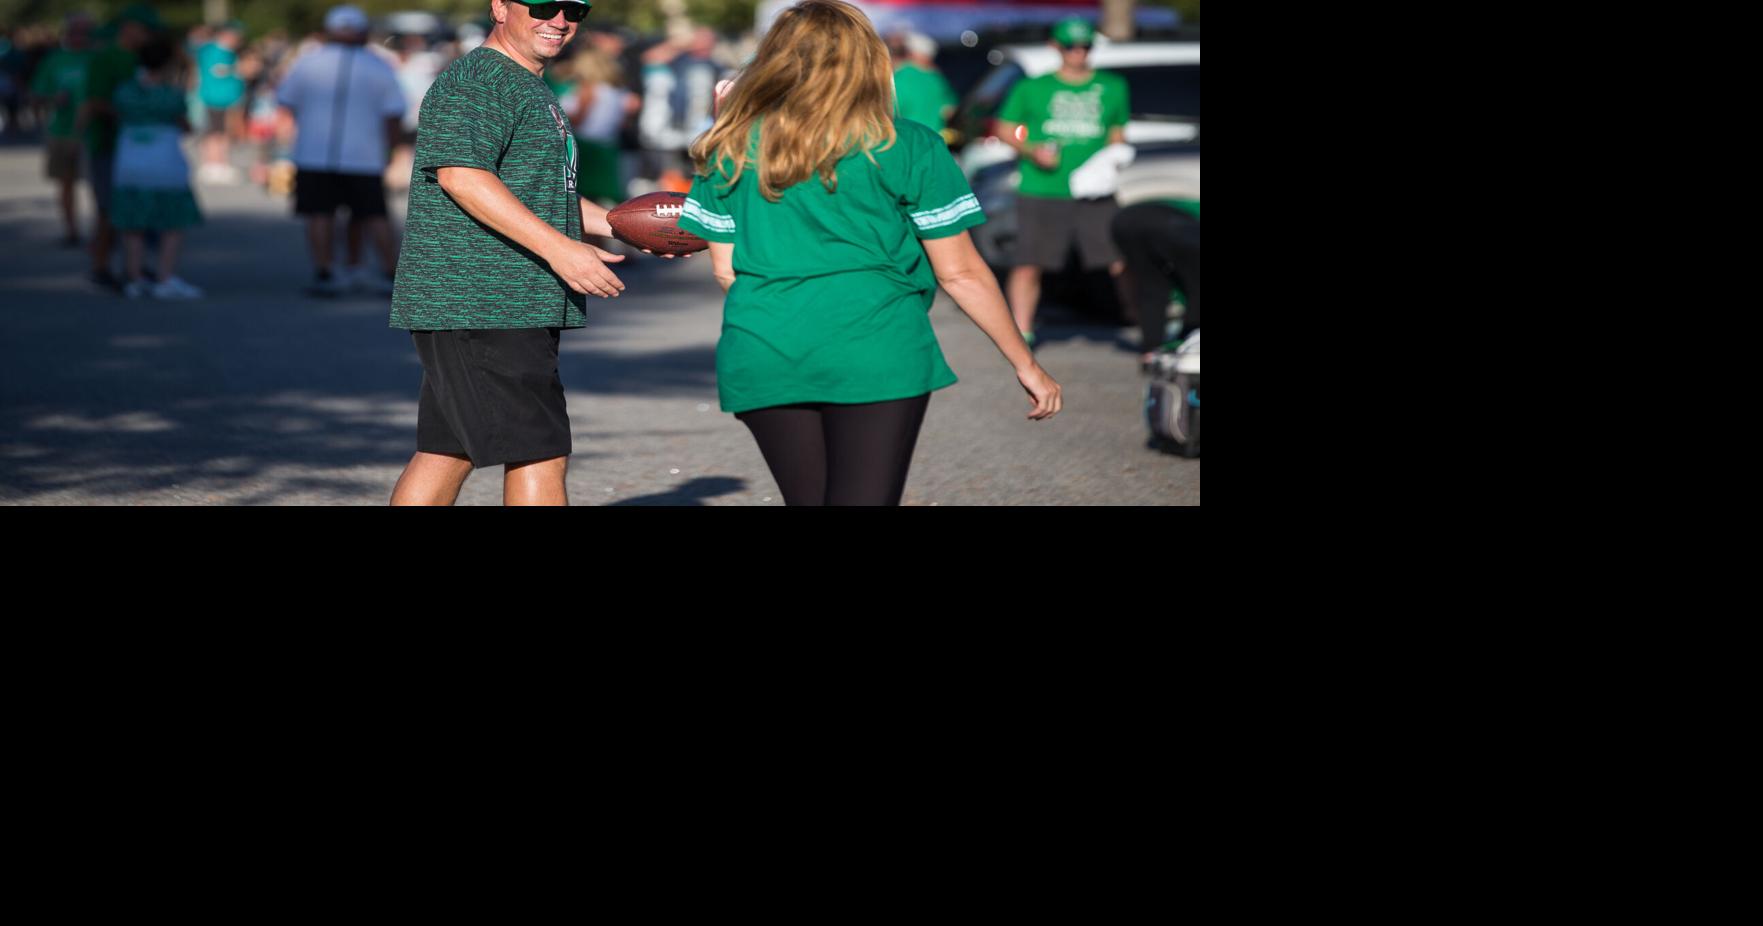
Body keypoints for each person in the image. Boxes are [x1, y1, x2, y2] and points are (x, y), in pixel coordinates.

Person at [677, 0, 1061, 507]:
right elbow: (962, 273)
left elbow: (727, 272)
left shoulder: (726, 147)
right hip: (877, 347)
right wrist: (1025, 363)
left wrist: (736, 125)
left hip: (764, 347)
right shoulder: (909, 145)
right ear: (868, 60)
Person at [386, 0, 629, 507]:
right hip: (484, 300)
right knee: (540, 451)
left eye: (574, 9)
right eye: (542, 5)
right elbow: (462, 176)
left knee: (446, 449)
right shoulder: (479, 80)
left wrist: (623, 225)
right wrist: (562, 249)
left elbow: (545, 191)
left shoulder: (526, 82)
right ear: (500, 5)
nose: (559, 19)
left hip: (500, 302)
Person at [994, 17, 1130, 348]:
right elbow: (1003, 127)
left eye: (1085, 46)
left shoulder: (1113, 86)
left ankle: (1146, 328)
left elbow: (1117, 135)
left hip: (1094, 191)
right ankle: (1022, 331)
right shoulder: (1033, 86)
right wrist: (1030, 149)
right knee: (1029, 263)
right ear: (1056, 48)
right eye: (1071, 46)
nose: (1078, 53)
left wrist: (1111, 161)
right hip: (1042, 188)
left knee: (1119, 260)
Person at [275, 5, 406, 296]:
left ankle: (325, 271)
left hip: (314, 153)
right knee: (372, 214)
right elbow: (394, 113)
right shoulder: (378, 65)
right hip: (364, 154)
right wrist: (393, 151)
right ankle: (385, 271)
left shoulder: (307, 63)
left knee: (319, 213)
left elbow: (286, 101)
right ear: (362, 32)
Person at [110, 35, 204, 299]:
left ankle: (135, 278)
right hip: (164, 163)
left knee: (133, 225)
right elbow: (185, 124)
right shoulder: (171, 95)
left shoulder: (124, 91)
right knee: (172, 223)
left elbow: (117, 115)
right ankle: (164, 277)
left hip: (129, 161)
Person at [80, 4, 160, 292]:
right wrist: (134, 112)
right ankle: (100, 266)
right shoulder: (107, 59)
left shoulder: (141, 59)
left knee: (137, 206)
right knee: (108, 208)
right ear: (129, 28)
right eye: (145, 30)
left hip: (138, 147)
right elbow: (94, 101)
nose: (149, 37)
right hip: (109, 143)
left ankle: (133, 267)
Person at [30, 14, 96, 248]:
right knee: (65, 182)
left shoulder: (98, 58)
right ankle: (71, 230)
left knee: (98, 183)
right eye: (74, 31)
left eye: (84, 31)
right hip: (61, 131)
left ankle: (103, 231)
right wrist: (52, 99)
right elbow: (36, 95)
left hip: (95, 133)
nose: (79, 37)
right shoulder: (54, 60)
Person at [194, 20, 246, 184]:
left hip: (226, 98)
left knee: (222, 132)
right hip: (215, 97)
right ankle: (211, 164)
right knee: (214, 132)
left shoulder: (226, 52)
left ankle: (220, 163)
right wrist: (238, 69)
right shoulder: (213, 50)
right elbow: (217, 71)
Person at [891, 30, 955, 141]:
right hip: (934, 143)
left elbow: (885, 114)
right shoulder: (937, 79)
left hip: (906, 143)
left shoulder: (899, 78)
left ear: (911, 54)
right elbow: (950, 110)